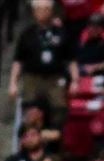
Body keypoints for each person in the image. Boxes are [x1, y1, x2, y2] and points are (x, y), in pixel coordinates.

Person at [10, 0, 75, 131]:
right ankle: (31, 139)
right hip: (32, 78)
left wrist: (75, 81)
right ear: (34, 12)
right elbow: (18, 61)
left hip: (55, 78)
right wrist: (13, 83)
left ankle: (54, 140)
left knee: (59, 109)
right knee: (30, 110)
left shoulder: (62, 33)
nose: (43, 12)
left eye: (46, 9)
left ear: (51, 11)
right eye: (40, 9)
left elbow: (71, 59)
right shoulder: (26, 34)